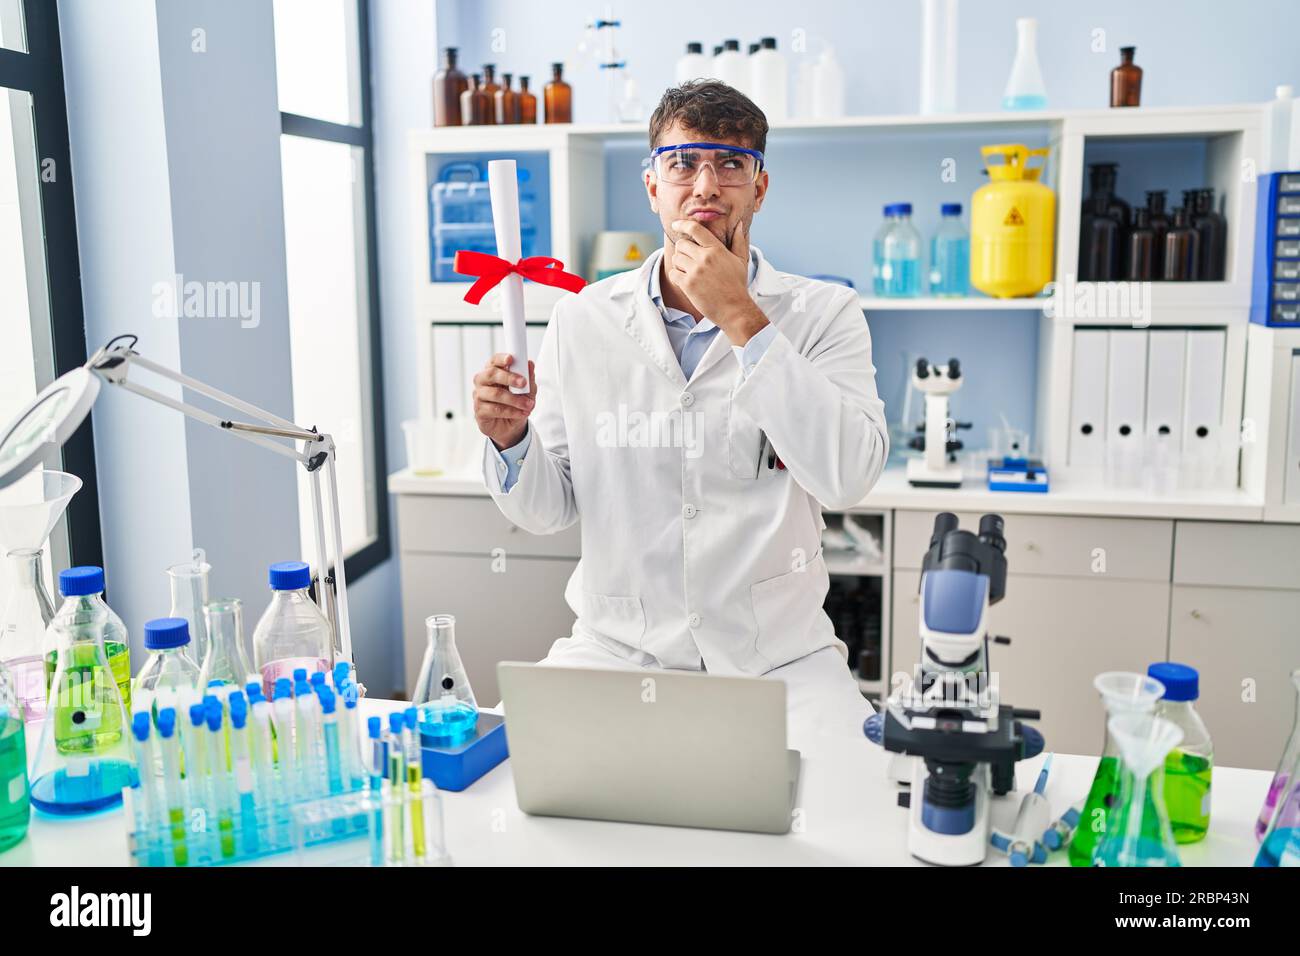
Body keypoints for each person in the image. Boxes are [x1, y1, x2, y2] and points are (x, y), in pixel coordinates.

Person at [473, 80, 888, 738]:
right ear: (652, 186)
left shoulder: (822, 315)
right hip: (616, 651)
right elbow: (549, 509)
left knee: (844, 812)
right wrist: (509, 440)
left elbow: (847, 476)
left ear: (759, 188)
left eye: (730, 163)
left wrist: (744, 321)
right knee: (525, 792)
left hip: (780, 662)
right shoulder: (583, 320)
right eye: (682, 162)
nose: (705, 185)